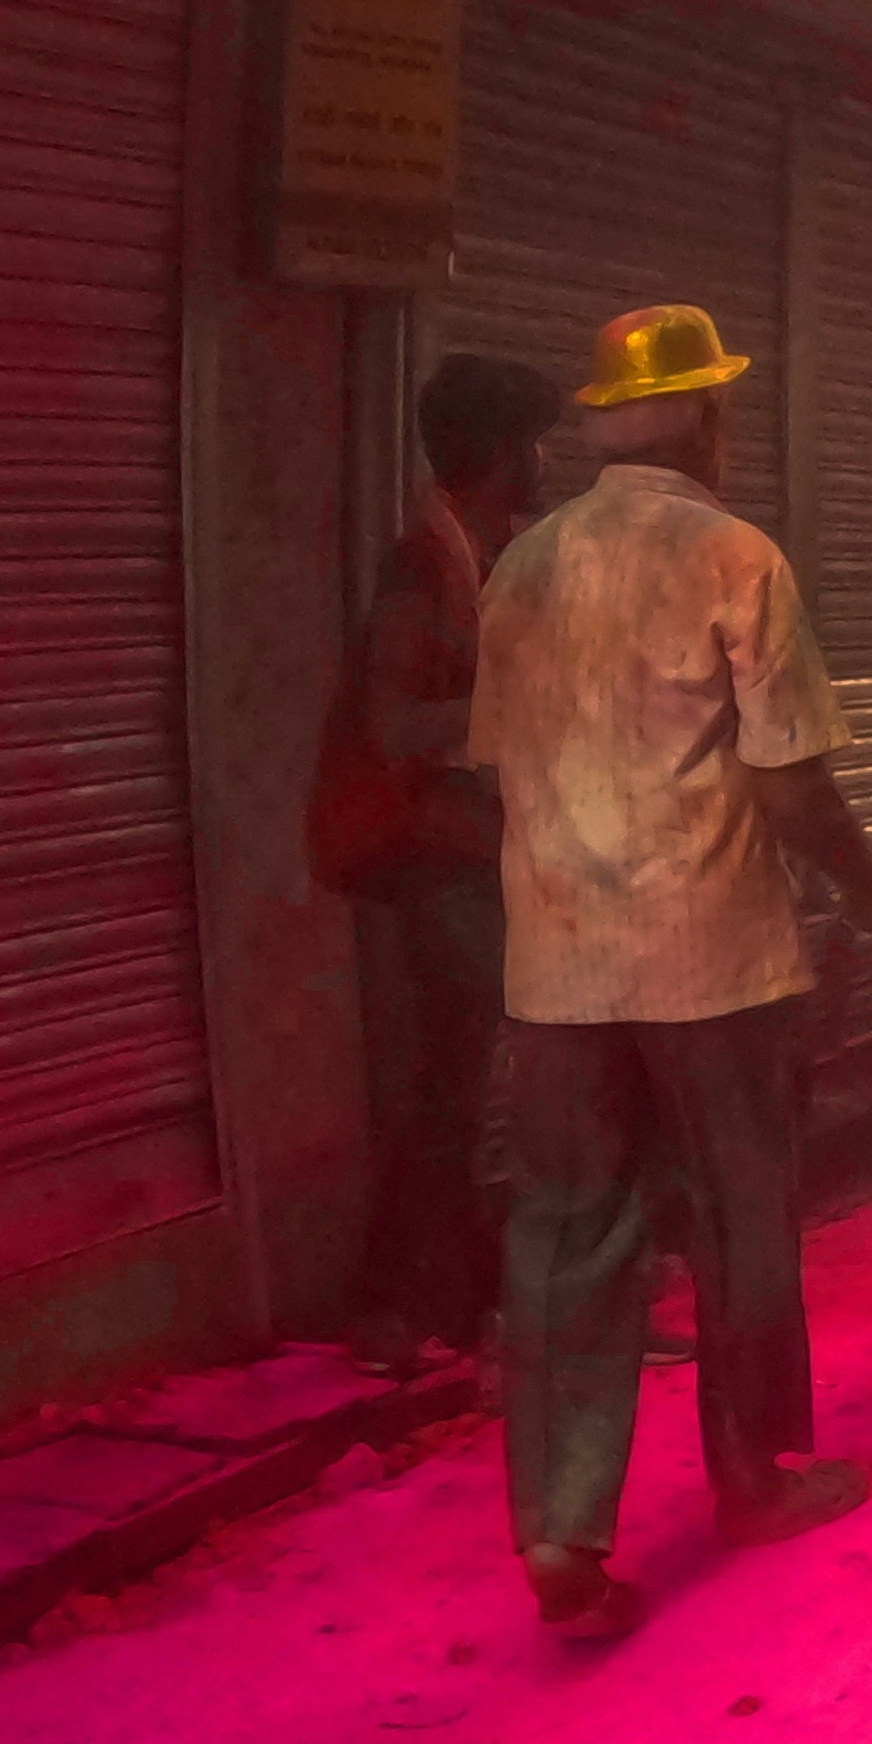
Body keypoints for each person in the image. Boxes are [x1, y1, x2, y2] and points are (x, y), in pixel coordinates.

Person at [473, 304, 872, 1646]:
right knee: (738, 1214)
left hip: (555, 970)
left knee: (563, 1239)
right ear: (709, 421)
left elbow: (500, 763)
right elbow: (787, 779)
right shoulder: (735, 555)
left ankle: (560, 1529)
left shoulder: (523, 568)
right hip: (714, 959)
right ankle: (754, 1480)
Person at [311, 352, 563, 1368]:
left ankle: (439, 1306)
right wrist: (521, 712)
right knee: (510, 1070)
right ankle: (410, 1306)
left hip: (464, 850)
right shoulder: (421, 564)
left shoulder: (479, 552)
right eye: (534, 444)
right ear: (501, 453)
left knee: (459, 1081)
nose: (545, 461)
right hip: (430, 855)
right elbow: (394, 719)